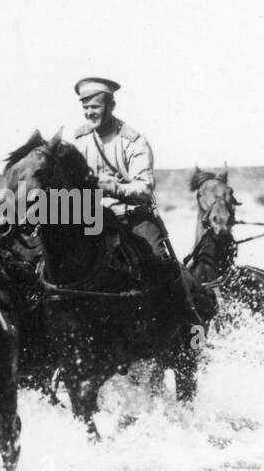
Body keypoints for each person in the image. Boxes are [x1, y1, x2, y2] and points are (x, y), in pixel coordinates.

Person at [70, 77, 201, 323]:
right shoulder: (79, 139)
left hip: (132, 217)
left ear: (111, 105)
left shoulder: (133, 141)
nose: (90, 113)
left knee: (161, 264)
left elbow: (144, 189)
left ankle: (183, 325)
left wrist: (112, 188)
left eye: (95, 107)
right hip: (94, 217)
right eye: (85, 108)